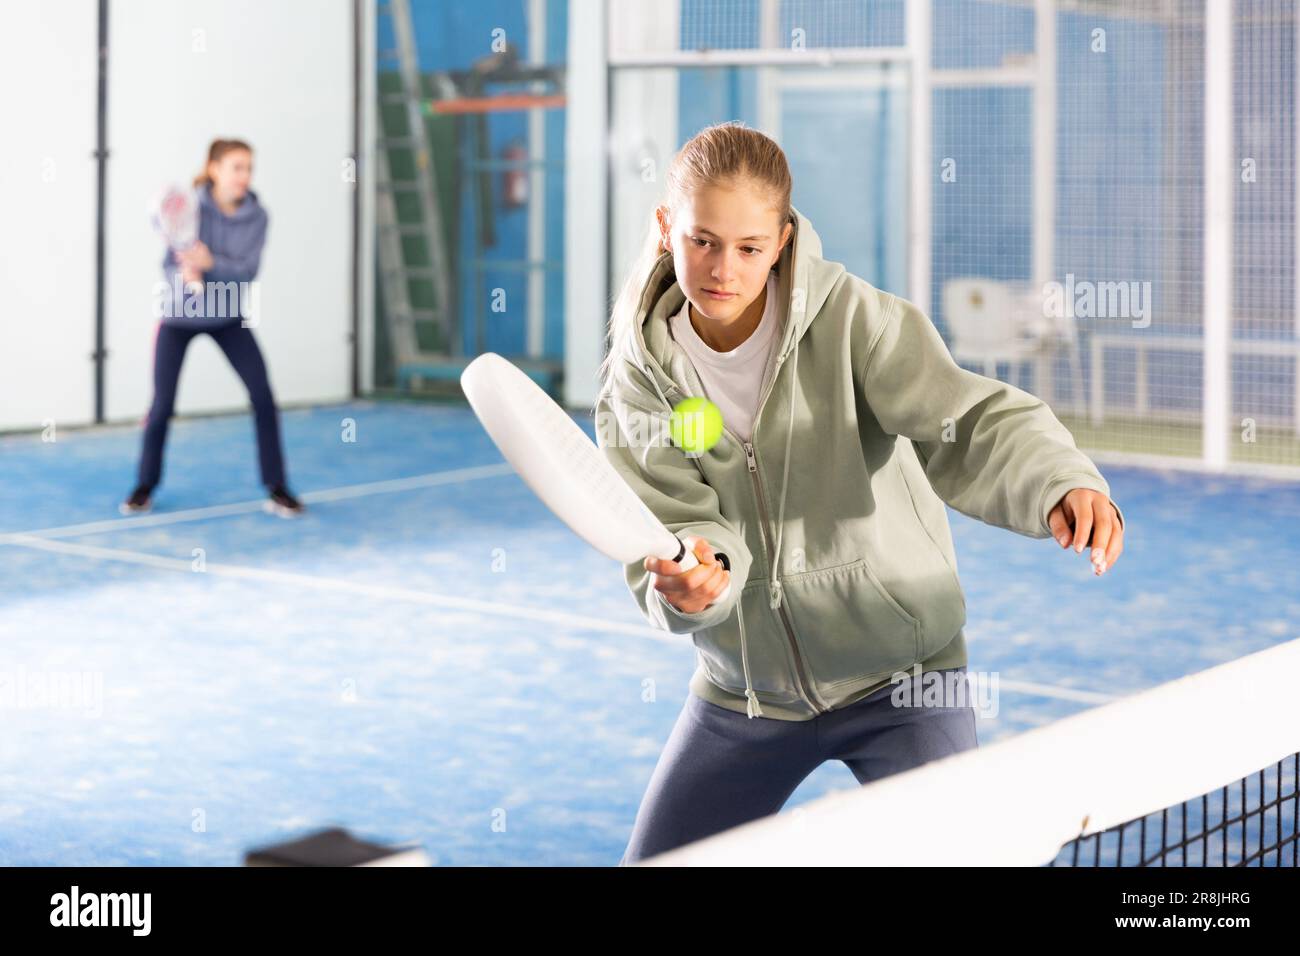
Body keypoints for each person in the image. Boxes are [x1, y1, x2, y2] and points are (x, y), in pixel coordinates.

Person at [594, 122, 1127, 864]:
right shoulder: (636, 382)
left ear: (781, 241)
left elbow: (965, 419)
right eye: (702, 240)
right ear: (664, 228)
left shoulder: (853, 323)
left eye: (749, 247)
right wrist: (695, 583)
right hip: (746, 694)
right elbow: (682, 525)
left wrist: (1057, 479)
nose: (723, 268)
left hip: (905, 681)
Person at [121, 139, 304, 518]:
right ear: (214, 168)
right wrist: (186, 273)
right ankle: (143, 486)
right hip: (178, 318)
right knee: (162, 406)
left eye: (249, 168)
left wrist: (210, 263)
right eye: (237, 167)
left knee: (263, 397)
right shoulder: (189, 206)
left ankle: (278, 488)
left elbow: (248, 271)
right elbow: (168, 266)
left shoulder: (259, 217)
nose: (244, 176)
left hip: (227, 316)